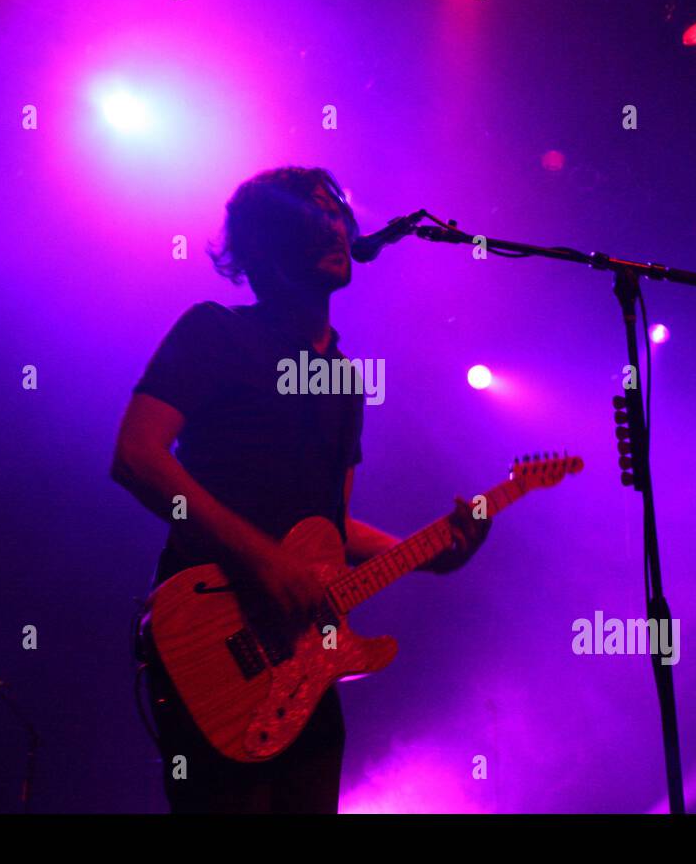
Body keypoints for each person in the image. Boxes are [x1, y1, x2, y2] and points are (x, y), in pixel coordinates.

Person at [112, 166, 490, 812]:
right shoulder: (215, 332)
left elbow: (330, 530)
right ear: (264, 245)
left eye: (337, 213)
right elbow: (137, 457)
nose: (335, 227)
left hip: (303, 660)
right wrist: (262, 559)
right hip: (211, 634)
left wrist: (432, 552)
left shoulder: (344, 378)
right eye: (310, 217)